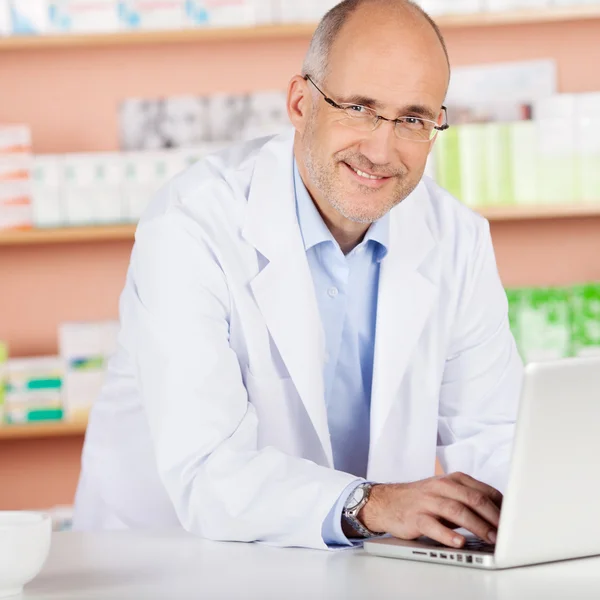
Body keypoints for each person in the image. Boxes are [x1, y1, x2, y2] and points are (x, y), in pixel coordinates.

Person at [73, 0, 523, 550]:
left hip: (359, 567)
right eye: (358, 107)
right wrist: (372, 503)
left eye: (412, 119)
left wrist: (529, 517)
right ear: (300, 103)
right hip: (168, 560)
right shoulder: (192, 225)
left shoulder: (457, 240)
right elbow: (211, 471)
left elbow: (497, 437)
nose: (381, 149)